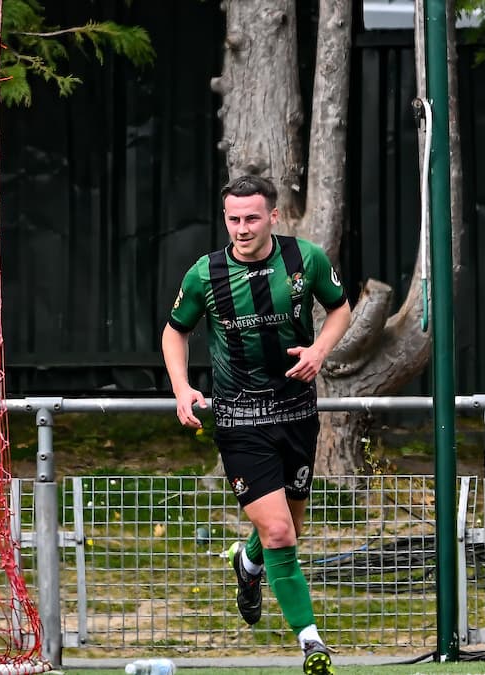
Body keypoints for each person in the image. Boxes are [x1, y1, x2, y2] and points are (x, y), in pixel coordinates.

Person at [161, 175, 351, 675]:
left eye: (251, 218)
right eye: (233, 218)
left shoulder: (304, 259)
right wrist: (182, 388)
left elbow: (339, 309)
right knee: (280, 534)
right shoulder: (206, 274)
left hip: (297, 415)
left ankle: (247, 565)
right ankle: (311, 643)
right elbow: (174, 333)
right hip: (240, 420)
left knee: (288, 529)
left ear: (273, 216)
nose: (242, 228)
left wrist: (319, 351)